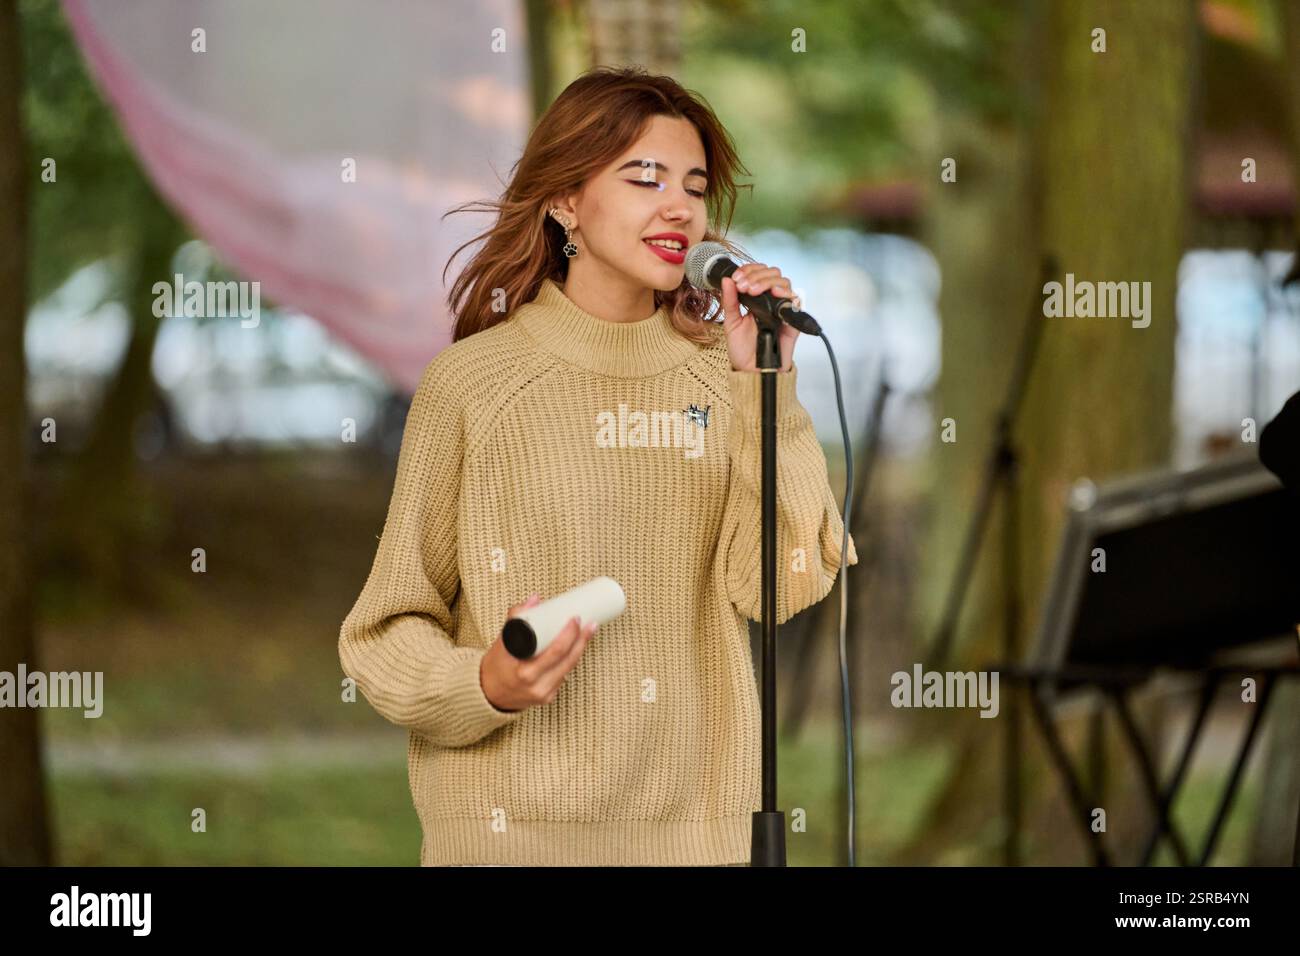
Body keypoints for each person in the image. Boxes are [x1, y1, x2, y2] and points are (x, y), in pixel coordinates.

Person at [338, 66, 857, 866]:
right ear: (564, 200)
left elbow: (779, 583)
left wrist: (770, 391)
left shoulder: (726, 375)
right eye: (644, 177)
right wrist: (484, 684)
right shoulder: (474, 386)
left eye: (693, 184)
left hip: (702, 844)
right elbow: (383, 631)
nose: (679, 206)